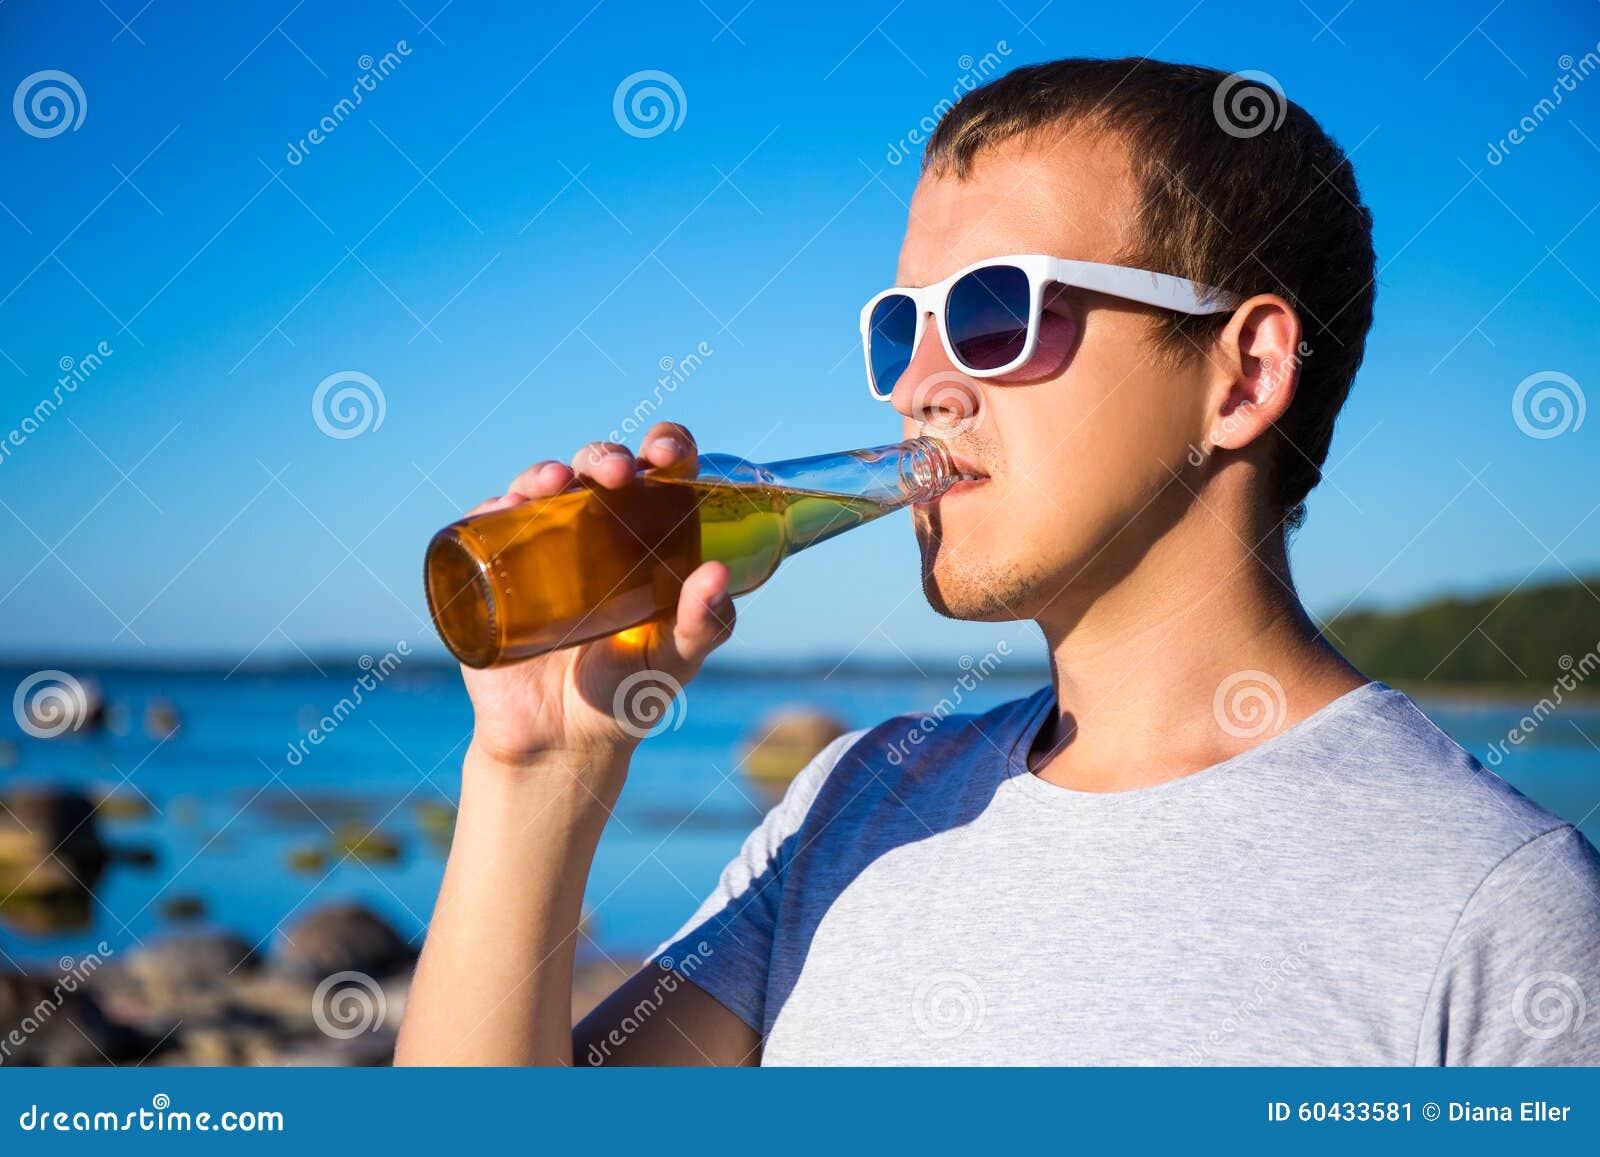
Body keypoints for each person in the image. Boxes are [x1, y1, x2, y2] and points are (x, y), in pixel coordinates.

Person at [395, 57, 1600, 1066]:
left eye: (991, 312)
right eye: (899, 325)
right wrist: (536, 775)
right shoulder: (854, 804)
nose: (923, 384)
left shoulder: (1490, 903)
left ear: (1242, 376)